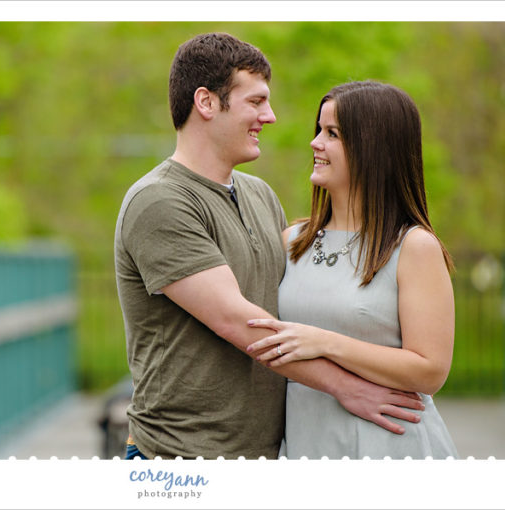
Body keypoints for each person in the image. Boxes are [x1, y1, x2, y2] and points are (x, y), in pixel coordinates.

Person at [114, 34, 425, 460]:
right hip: (181, 457)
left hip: (267, 454)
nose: (271, 116)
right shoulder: (160, 200)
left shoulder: (260, 195)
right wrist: (347, 388)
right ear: (206, 103)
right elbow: (239, 323)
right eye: (256, 102)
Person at [247, 80, 459, 459]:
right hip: (305, 448)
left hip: (389, 448)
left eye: (333, 134)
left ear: (373, 148)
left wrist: (325, 342)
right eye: (319, 130)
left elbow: (430, 370)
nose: (315, 143)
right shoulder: (292, 241)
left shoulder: (413, 247)